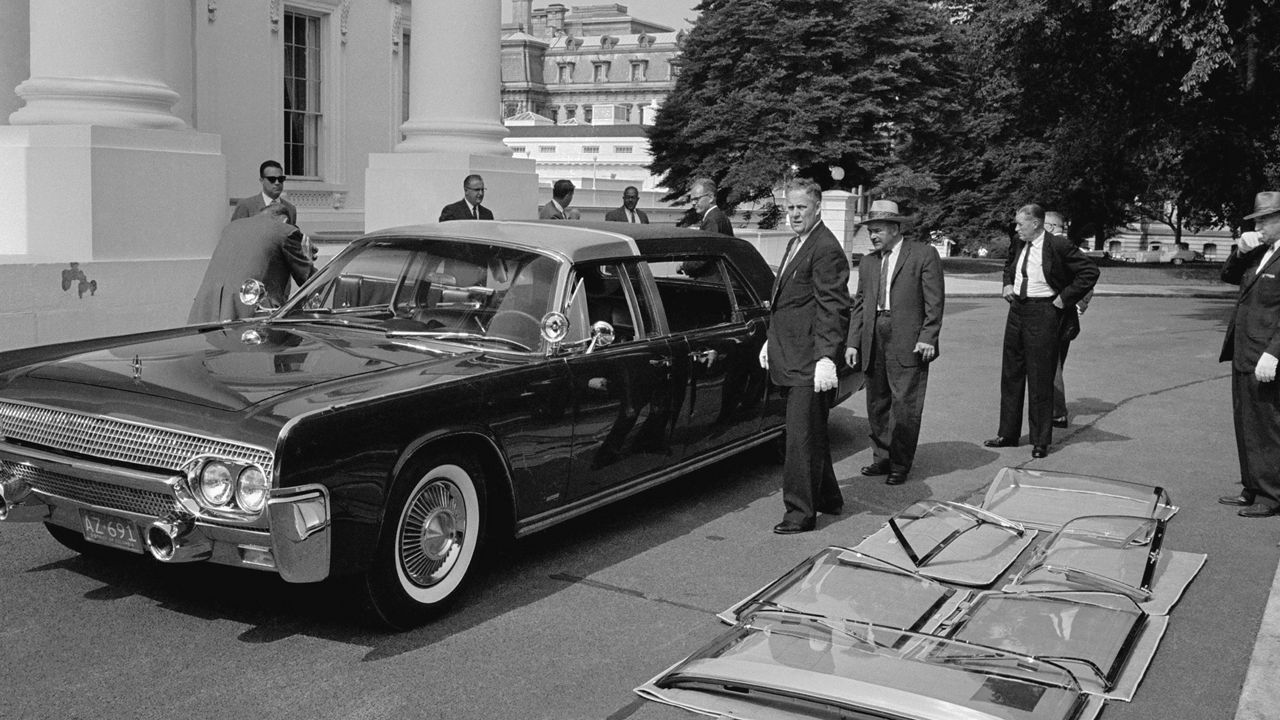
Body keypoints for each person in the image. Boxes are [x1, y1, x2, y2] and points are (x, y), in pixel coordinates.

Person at [758, 178, 850, 534]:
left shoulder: (825, 248)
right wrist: (772, 339)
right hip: (790, 354)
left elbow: (834, 307)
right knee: (811, 433)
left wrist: (827, 357)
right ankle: (829, 498)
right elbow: (790, 302)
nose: (794, 214)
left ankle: (800, 513)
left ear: (817, 209)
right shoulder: (799, 242)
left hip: (809, 362)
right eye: (790, 207)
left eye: (801, 208)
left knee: (799, 439)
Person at [984, 204, 1098, 458]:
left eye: (1020, 224)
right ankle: (1008, 434)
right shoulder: (1018, 242)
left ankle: (1040, 440)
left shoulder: (1057, 246)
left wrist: (1064, 299)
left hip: (1044, 312)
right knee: (1011, 374)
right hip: (1016, 311)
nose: (1016, 228)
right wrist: (1006, 284)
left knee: (1040, 378)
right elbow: (1009, 265)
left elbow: (1089, 272)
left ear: (1035, 223)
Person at [845, 200, 944, 485]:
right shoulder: (868, 262)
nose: (872, 236)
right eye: (870, 231)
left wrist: (928, 336)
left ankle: (900, 463)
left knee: (905, 405)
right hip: (873, 334)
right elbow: (860, 303)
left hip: (908, 338)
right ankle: (882, 457)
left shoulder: (923, 255)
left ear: (895, 228)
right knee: (877, 401)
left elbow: (935, 301)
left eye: (877, 230)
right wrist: (853, 342)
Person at [1218, 191, 1280, 518]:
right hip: (1244, 349)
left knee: (1267, 425)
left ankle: (1272, 494)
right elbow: (1228, 276)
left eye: (1266, 220)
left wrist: (1274, 353)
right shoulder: (1260, 252)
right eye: (1257, 220)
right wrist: (1240, 251)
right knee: (1245, 421)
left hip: (1266, 356)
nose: (1260, 226)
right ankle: (1252, 486)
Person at [188, 204, 316, 324]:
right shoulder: (285, 230)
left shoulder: (231, 227)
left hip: (204, 312)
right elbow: (312, 281)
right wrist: (307, 258)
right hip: (249, 316)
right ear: (285, 220)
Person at [1044, 211, 1093, 427]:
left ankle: (1056, 411)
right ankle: (1053, 407)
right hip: (1066, 315)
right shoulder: (1059, 247)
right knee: (1056, 363)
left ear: (1053, 226)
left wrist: (1074, 304)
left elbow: (1088, 279)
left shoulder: (1062, 249)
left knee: (1050, 364)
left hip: (1059, 314)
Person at [230, 160, 297, 225]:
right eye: (272, 179)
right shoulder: (246, 206)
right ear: (262, 180)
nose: (277, 183)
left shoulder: (290, 209)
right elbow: (235, 232)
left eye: (280, 179)